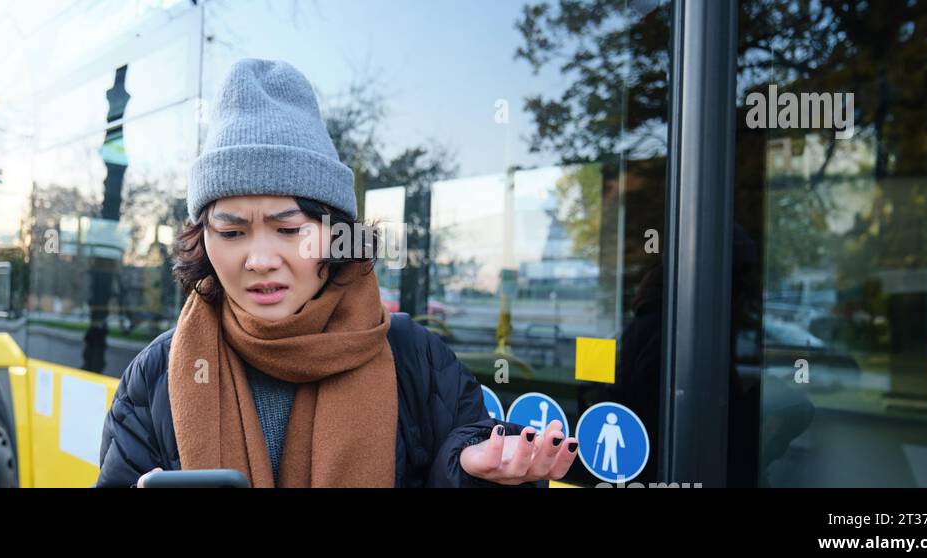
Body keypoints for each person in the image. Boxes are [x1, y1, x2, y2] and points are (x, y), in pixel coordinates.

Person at [95, 58, 577, 487]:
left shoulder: (416, 359)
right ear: (203, 240)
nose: (259, 259)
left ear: (335, 233)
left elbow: (466, 451)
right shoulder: (156, 376)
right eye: (232, 232)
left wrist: (473, 475)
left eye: (288, 230)